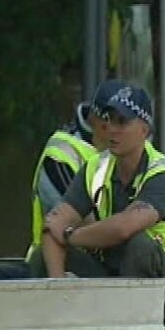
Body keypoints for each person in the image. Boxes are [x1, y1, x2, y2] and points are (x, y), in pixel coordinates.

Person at [31, 84, 165, 278]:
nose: (112, 130)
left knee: (139, 245)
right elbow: (52, 226)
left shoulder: (161, 175)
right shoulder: (95, 167)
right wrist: (58, 286)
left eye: (122, 122)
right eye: (109, 120)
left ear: (144, 129)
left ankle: (133, 309)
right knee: (42, 254)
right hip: (114, 269)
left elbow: (123, 228)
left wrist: (69, 236)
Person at [27, 78, 126, 259]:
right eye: (120, 123)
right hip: (66, 265)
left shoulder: (125, 147)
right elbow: (77, 223)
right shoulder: (60, 155)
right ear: (102, 124)